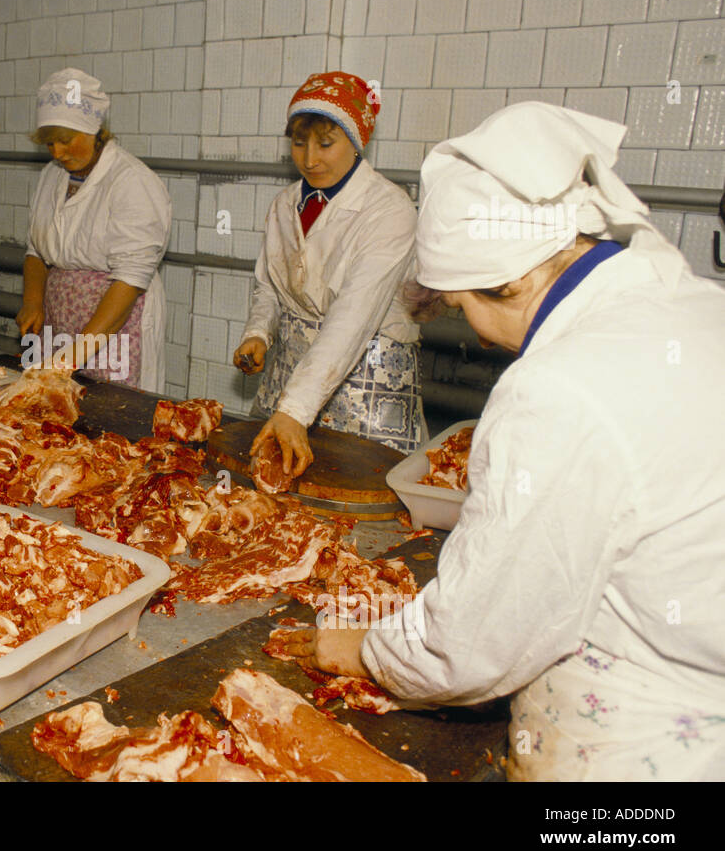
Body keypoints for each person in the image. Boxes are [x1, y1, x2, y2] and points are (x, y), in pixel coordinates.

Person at [282, 102, 725, 781]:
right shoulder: (695, 303)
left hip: (653, 750)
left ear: (513, 279)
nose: (476, 333)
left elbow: (473, 642)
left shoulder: (559, 390)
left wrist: (369, 650)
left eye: (463, 306)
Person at [235, 72, 422, 479]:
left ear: (357, 142)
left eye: (326, 143)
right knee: (274, 500)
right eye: (299, 143)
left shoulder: (389, 210)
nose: (310, 159)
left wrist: (297, 409)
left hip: (366, 377)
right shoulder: (286, 204)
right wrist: (259, 332)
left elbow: (355, 314)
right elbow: (270, 283)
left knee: (359, 494)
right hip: (291, 373)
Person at [17, 68, 170, 393]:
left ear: (95, 130)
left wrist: (74, 356)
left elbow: (130, 280)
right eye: (49, 143)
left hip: (114, 327)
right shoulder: (51, 176)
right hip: (59, 321)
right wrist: (33, 301)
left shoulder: (132, 182)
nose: (57, 152)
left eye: (65, 140)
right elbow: (36, 250)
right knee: (56, 420)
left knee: (110, 419)